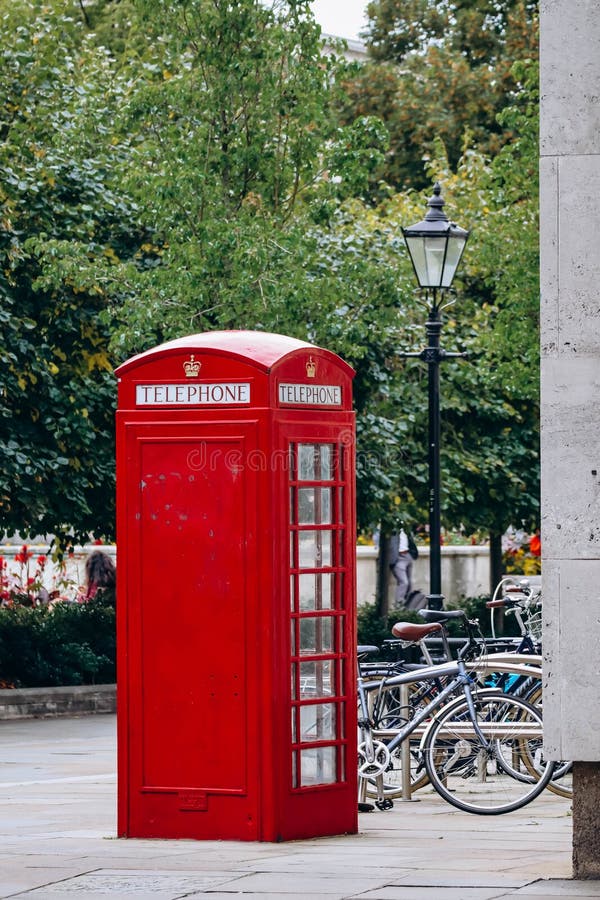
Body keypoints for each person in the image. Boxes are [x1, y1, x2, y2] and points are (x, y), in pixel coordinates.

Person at [389, 528, 413, 608]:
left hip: (407, 555)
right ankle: (398, 606)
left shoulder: (406, 528)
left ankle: (407, 606)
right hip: (398, 558)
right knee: (404, 582)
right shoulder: (392, 528)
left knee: (409, 584)